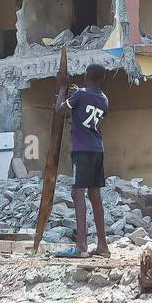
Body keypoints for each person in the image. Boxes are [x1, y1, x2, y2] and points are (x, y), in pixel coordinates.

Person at [56, 62, 110, 258]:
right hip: (98, 150)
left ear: (87, 75)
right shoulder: (104, 99)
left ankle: (81, 246)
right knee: (95, 196)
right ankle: (103, 246)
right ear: (102, 79)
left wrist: (63, 87)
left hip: (82, 150)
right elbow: (90, 106)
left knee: (77, 194)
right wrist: (78, 93)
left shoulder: (80, 95)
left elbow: (60, 110)